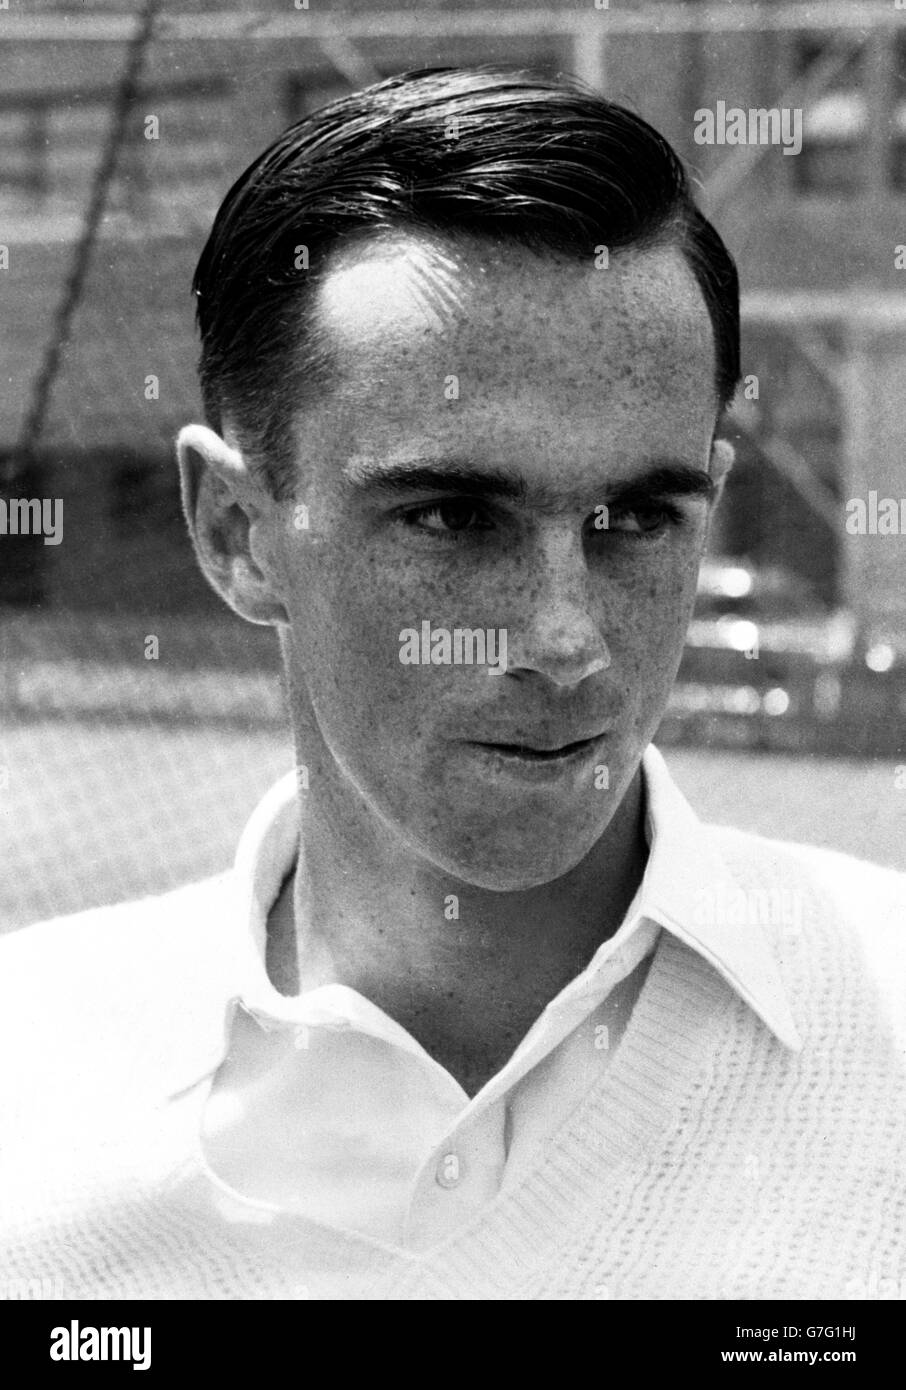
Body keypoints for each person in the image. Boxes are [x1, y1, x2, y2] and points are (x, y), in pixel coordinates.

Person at [2, 67, 904, 1303]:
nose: (564, 639)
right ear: (236, 531)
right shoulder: (29, 1090)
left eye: (636, 516)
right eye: (451, 515)